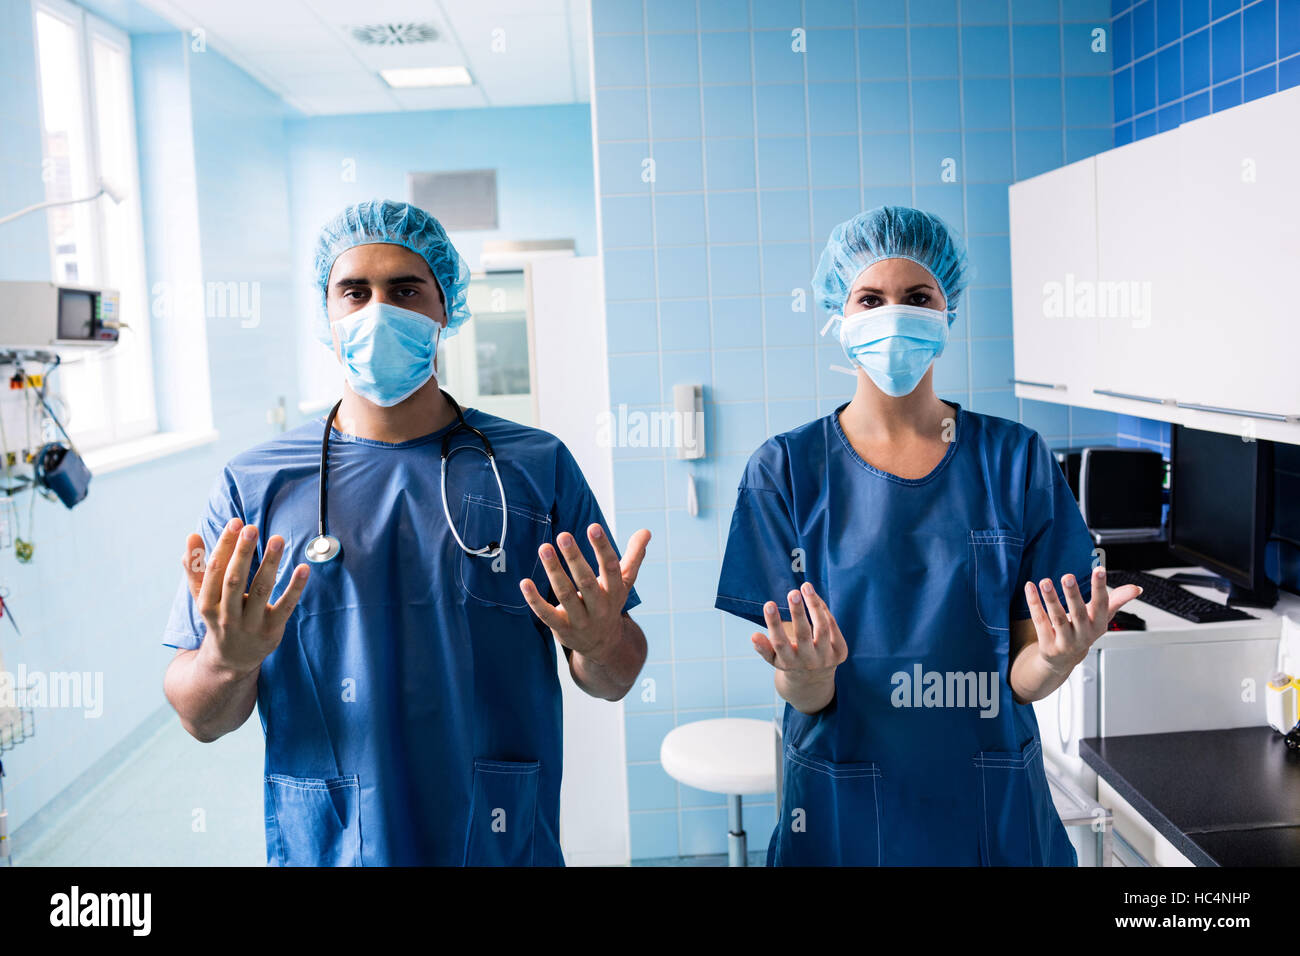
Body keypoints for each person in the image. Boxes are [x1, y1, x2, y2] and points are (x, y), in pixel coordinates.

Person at [162, 199, 650, 866]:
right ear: (326, 314)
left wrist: (599, 642)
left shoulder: (534, 468)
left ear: (445, 306)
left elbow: (615, 678)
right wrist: (227, 658)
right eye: (354, 291)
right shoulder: (256, 488)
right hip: (334, 844)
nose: (377, 311)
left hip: (495, 838)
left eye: (405, 289)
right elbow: (201, 718)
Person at [714, 205, 1141, 866]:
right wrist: (806, 676)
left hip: (987, 807)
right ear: (840, 314)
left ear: (948, 310)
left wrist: (1058, 658)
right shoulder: (787, 471)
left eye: (917, 297)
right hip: (843, 808)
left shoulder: (1015, 460)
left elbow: (1023, 677)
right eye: (869, 298)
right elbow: (805, 686)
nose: (893, 314)